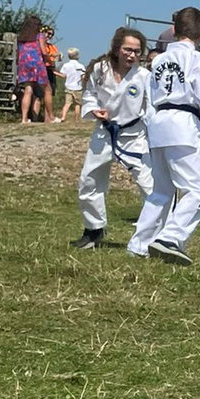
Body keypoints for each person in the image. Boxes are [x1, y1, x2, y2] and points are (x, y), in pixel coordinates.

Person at [128, 6, 200, 264]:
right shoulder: (198, 60)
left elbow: (151, 94)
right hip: (182, 124)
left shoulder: (158, 60)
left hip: (158, 124)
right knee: (197, 190)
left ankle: (139, 244)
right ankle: (170, 237)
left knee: (161, 191)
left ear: (174, 30)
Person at [71, 28, 153, 249]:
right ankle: (93, 230)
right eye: (127, 49)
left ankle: (156, 232)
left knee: (148, 183)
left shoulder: (144, 77)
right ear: (117, 48)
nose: (132, 55)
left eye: (137, 51)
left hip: (133, 135)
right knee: (89, 180)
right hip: (104, 131)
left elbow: (152, 108)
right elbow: (89, 94)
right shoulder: (100, 69)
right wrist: (94, 110)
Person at [16, 16, 54, 125]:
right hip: (37, 64)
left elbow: (19, 53)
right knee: (47, 90)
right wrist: (49, 60)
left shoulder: (21, 38)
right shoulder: (39, 36)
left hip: (24, 65)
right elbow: (44, 51)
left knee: (28, 90)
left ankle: (24, 119)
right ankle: (51, 117)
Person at [59, 48, 86, 122]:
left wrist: (55, 72)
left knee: (67, 103)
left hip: (69, 87)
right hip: (78, 87)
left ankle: (63, 117)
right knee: (77, 104)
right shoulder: (81, 66)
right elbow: (83, 76)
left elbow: (63, 76)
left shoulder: (66, 65)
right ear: (77, 56)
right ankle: (76, 119)